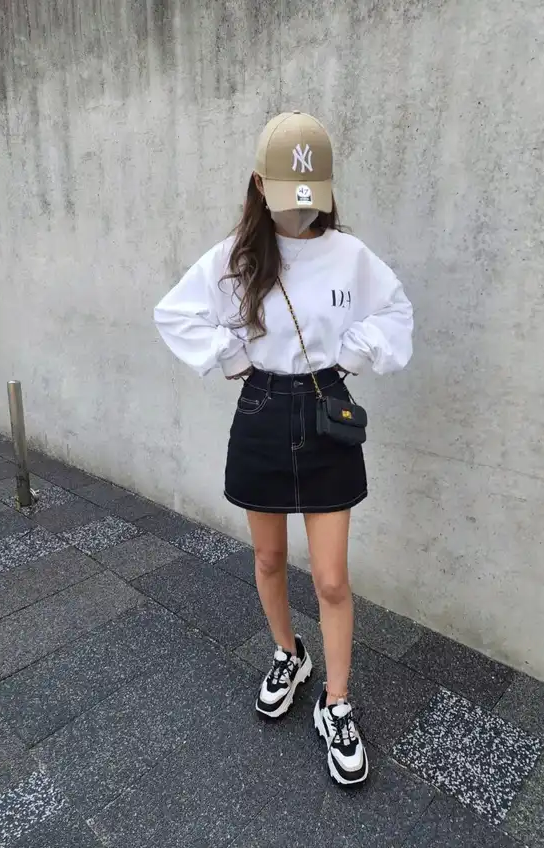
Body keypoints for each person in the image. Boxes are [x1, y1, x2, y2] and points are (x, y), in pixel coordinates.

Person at [154, 111, 413, 786]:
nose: (300, 210)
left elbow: (395, 312)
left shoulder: (350, 256)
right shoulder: (237, 257)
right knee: (269, 557)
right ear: (258, 184)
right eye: (286, 195)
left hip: (326, 412)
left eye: (310, 195)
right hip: (263, 411)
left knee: (330, 578)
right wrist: (232, 358)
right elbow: (174, 312)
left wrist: (353, 354)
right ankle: (288, 654)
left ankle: (337, 701)